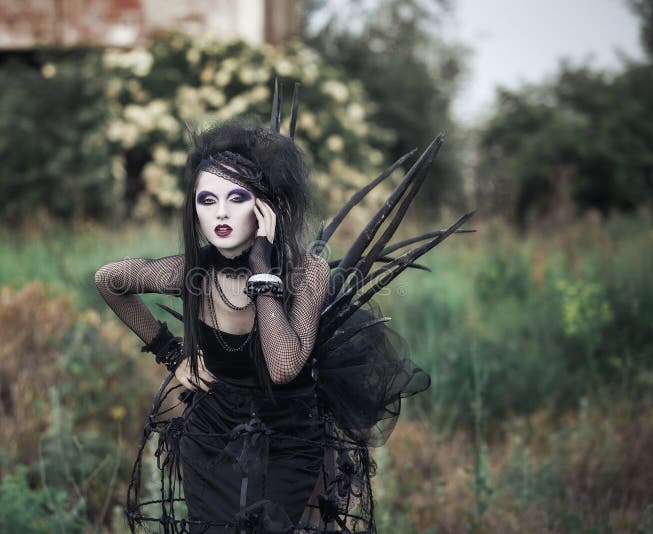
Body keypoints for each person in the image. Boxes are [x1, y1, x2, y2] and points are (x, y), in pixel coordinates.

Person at [94, 83, 471, 533]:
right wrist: (172, 354)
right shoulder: (188, 274)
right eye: (207, 199)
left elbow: (283, 367)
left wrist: (262, 272)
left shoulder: (307, 274)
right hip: (210, 433)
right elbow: (109, 280)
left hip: (288, 438)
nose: (221, 213)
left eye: (238, 198)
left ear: (267, 208)